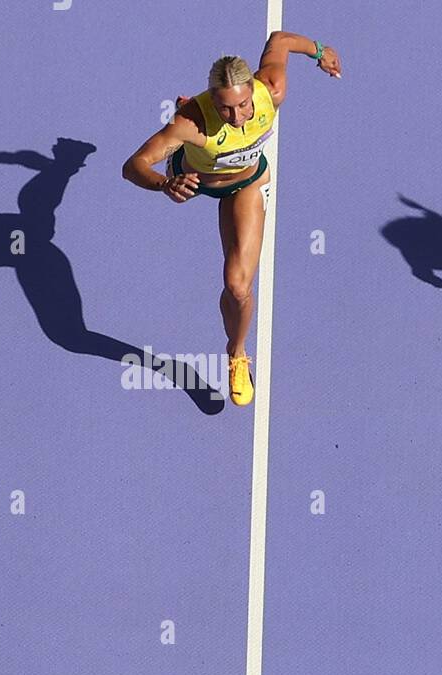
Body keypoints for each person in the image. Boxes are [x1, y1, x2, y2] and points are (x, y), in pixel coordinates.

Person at [121, 32, 342, 406]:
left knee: (238, 286)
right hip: (194, 176)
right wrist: (164, 184)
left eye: (242, 106)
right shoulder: (190, 124)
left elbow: (281, 40)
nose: (237, 117)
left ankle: (237, 354)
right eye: (225, 109)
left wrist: (321, 52)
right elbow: (133, 166)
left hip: (246, 185)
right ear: (212, 101)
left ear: (252, 91)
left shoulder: (271, 90)